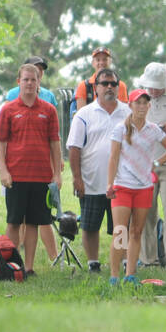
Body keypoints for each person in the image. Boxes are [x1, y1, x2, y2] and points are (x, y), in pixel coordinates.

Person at [0, 63, 62, 276]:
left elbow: (54, 142)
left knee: (33, 222)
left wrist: (57, 173)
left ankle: (29, 267)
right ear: (19, 82)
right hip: (16, 175)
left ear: (39, 82)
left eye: (33, 80)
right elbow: (0, 143)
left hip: (41, 176)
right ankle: (11, 265)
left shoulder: (49, 110)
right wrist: (3, 170)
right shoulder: (8, 109)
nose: (30, 83)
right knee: (14, 222)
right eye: (26, 80)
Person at [106, 90, 166, 285]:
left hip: (144, 187)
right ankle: (114, 276)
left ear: (149, 106)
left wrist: (156, 164)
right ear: (130, 105)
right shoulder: (120, 129)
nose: (142, 106)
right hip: (122, 186)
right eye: (138, 103)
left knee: (137, 232)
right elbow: (113, 158)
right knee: (120, 232)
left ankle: (130, 275)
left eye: (145, 103)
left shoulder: (153, 129)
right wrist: (110, 184)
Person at [66, 67, 130, 272]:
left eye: (114, 84)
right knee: (90, 226)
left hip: (122, 181)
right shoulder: (83, 114)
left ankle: (124, 261)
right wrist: (77, 178)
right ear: (96, 88)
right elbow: (74, 148)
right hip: (91, 181)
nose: (110, 87)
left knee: (120, 227)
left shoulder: (128, 112)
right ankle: (93, 262)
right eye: (105, 84)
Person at [133, 63, 166, 268]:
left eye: (157, 87)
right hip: (144, 165)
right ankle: (149, 259)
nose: (154, 91)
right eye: (151, 87)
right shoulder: (138, 99)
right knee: (146, 212)